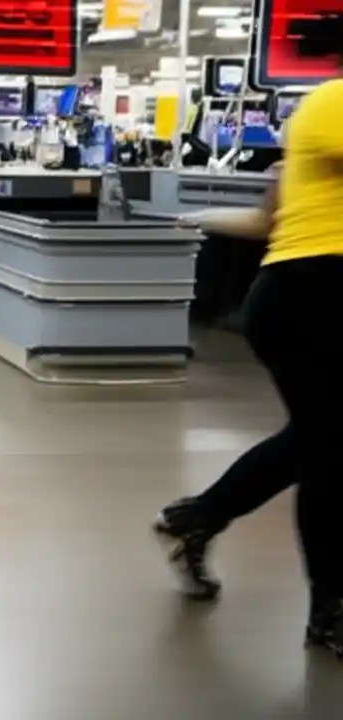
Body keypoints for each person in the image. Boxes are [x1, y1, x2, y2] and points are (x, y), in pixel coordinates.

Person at [153, 16, 343, 657]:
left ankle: (201, 517)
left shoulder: (314, 118)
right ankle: (329, 612)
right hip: (314, 294)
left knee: (322, 446)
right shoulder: (332, 102)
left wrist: (200, 215)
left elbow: (268, 217)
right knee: (329, 448)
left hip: (306, 292)